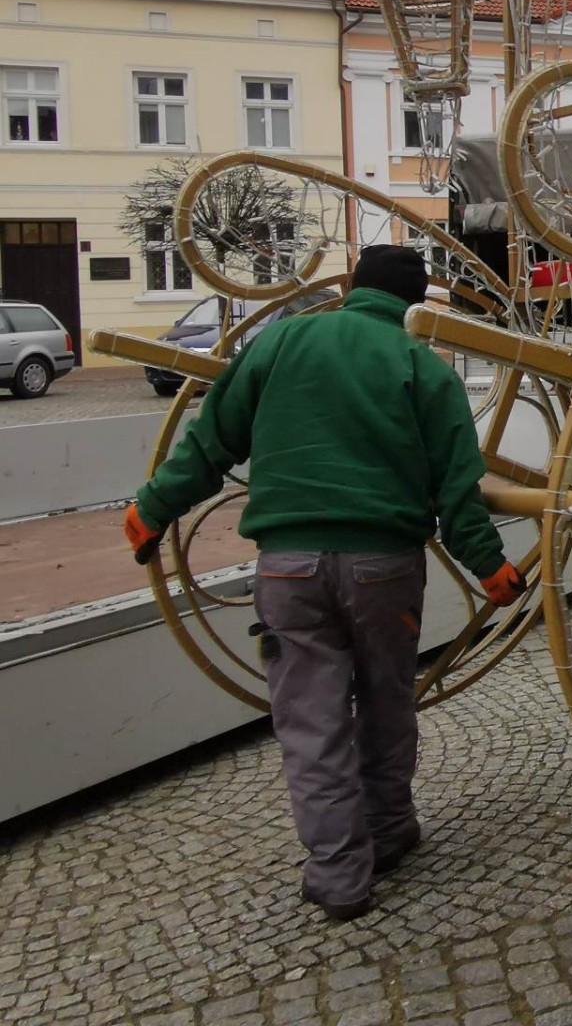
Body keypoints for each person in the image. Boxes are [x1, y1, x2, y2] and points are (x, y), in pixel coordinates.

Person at [121, 245, 527, 920]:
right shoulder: (423, 370)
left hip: (288, 566)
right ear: (411, 304)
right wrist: (489, 566)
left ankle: (340, 876)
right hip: (384, 568)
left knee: (312, 721)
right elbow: (457, 488)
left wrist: (153, 509)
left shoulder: (281, 341)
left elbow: (212, 440)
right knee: (387, 702)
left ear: (353, 286)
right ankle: (390, 831)